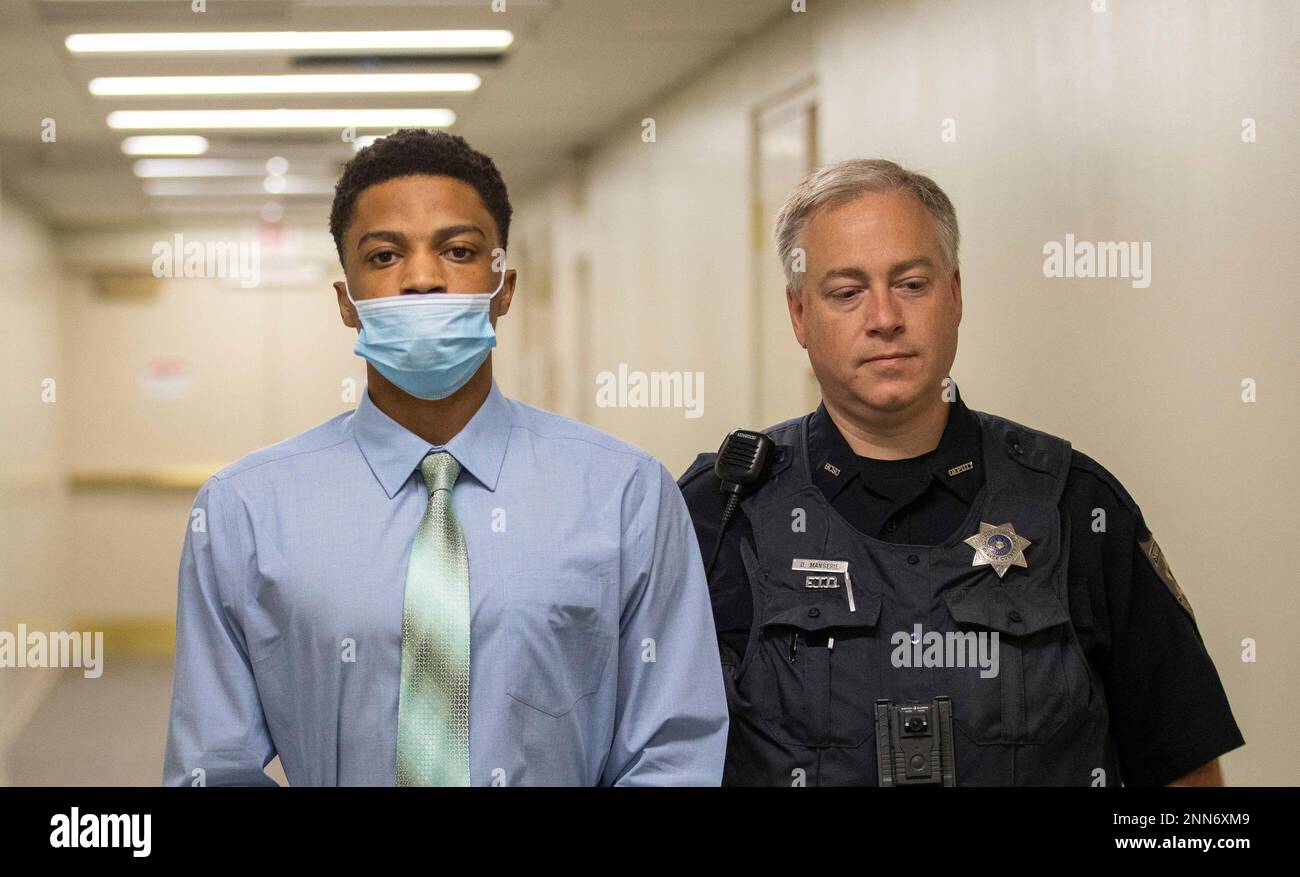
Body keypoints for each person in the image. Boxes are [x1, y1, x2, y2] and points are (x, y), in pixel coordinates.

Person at [163, 128, 727, 786]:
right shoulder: (246, 509)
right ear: (348, 303)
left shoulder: (624, 493)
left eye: (458, 250)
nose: (423, 278)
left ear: (504, 286)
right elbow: (213, 764)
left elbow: (673, 752)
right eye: (383, 255)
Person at [678, 159, 1244, 786]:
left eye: (912, 284)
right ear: (799, 315)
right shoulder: (720, 515)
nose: (884, 317)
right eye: (846, 292)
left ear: (955, 294)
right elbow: (651, 754)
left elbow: (1185, 773)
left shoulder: (1077, 507)